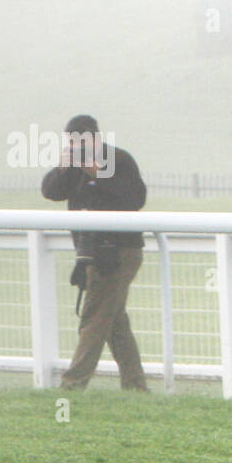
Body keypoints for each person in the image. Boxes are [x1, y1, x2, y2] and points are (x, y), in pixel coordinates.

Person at [41, 114, 149, 391]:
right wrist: (64, 169)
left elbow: (134, 198)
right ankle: (136, 387)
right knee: (113, 321)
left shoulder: (118, 159)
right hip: (90, 253)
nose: (80, 148)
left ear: (97, 138)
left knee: (95, 317)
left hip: (120, 251)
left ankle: (73, 385)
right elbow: (51, 192)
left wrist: (97, 174)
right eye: (73, 143)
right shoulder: (73, 166)